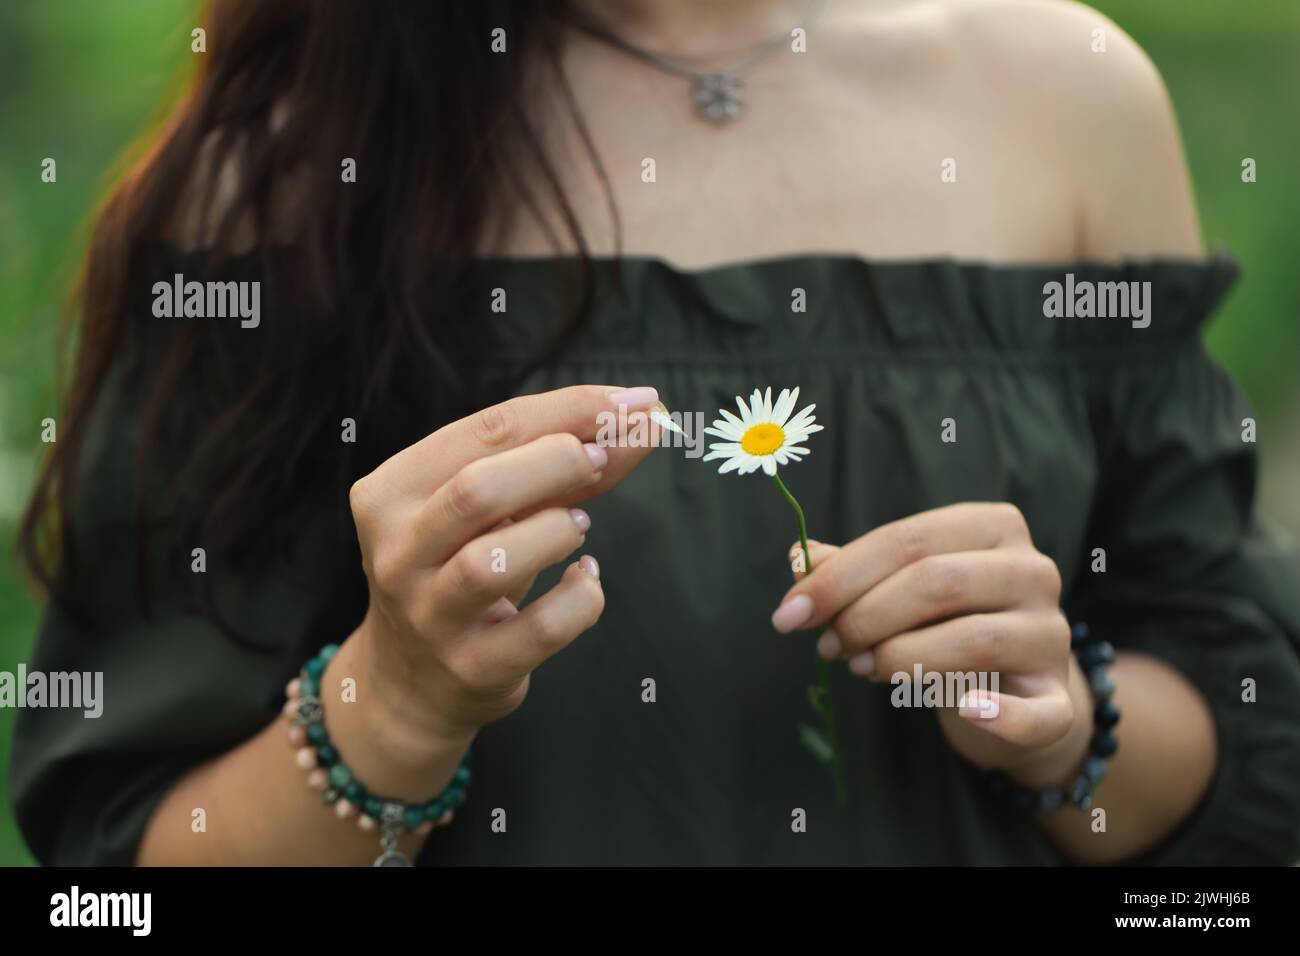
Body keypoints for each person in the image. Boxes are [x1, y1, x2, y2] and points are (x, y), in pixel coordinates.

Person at [12, 0, 1300, 866]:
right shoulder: (290, 157)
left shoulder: (1070, 91)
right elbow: (115, 870)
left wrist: (1068, 730)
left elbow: (1240, 737)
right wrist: (393, 708)